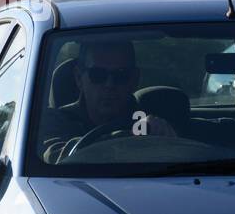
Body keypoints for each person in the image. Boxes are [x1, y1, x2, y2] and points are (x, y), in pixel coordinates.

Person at [39, 39, 176, 162]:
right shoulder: (55, 122)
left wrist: (166, 140)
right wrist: (134, 138)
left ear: (134, 79)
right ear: (79, 78)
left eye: (121, 75)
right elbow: (58, 159)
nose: (109, 85)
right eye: (98, 75)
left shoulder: (155, 127)